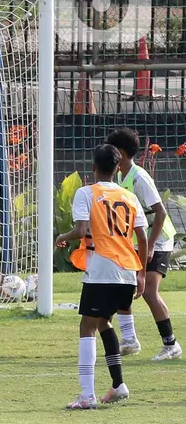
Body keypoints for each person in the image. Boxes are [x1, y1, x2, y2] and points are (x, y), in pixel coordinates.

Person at [57, 144, 148, 409]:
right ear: (118, 169)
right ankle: (118, 385)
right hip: (127, 270)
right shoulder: (129, 196)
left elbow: (81, 229)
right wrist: (142, 273)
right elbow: (142, 237)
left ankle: (87, 395)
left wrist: (62, 236)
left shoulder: (86, 192)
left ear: (93, 167)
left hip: (102, 269)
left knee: (87, 326)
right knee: (103, 323)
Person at [105, 127, 181, 361]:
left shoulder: (139, 177)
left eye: (112, 149)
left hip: (159, 240)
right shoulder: (120, 176)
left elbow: (160, 212)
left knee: (148, 291)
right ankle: (130, 341)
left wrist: (151, 244)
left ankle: (171, 345)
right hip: (137, 241)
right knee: (124, 287)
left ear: (121, 152)